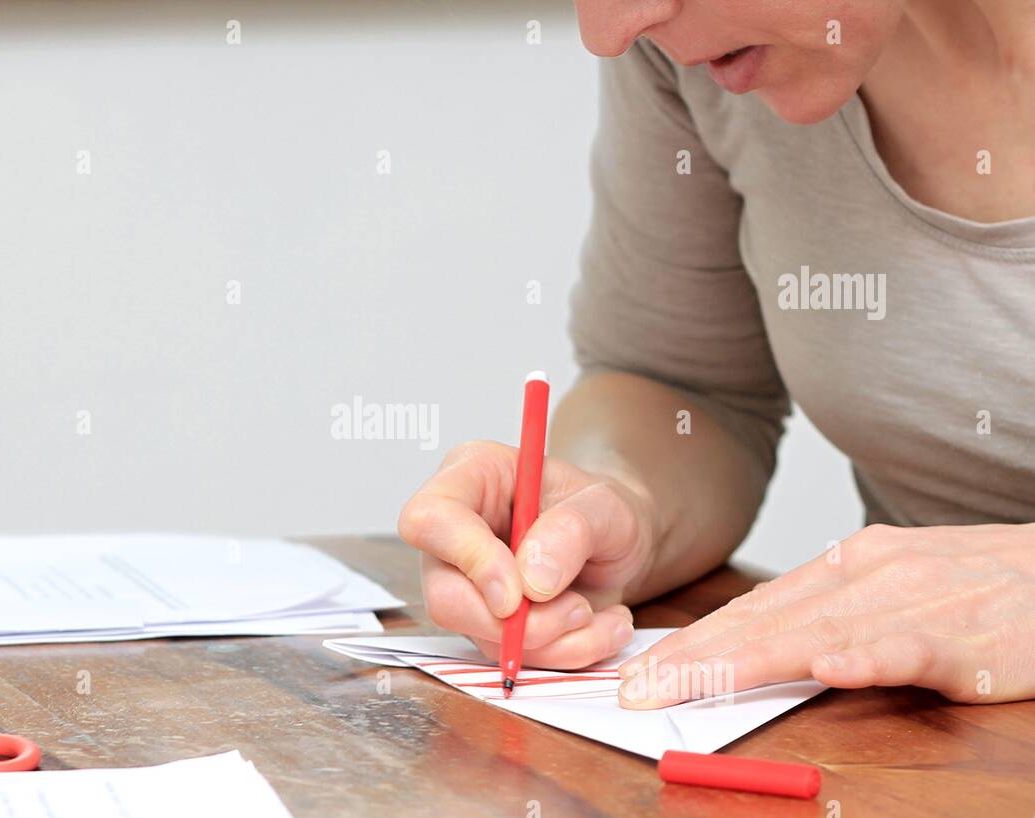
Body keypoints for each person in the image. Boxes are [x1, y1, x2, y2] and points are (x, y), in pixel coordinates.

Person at [398, 0, 1035, 708]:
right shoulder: (692, 50)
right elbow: (686, 385)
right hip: (927, 760)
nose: (606, 33)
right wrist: (612, 508)